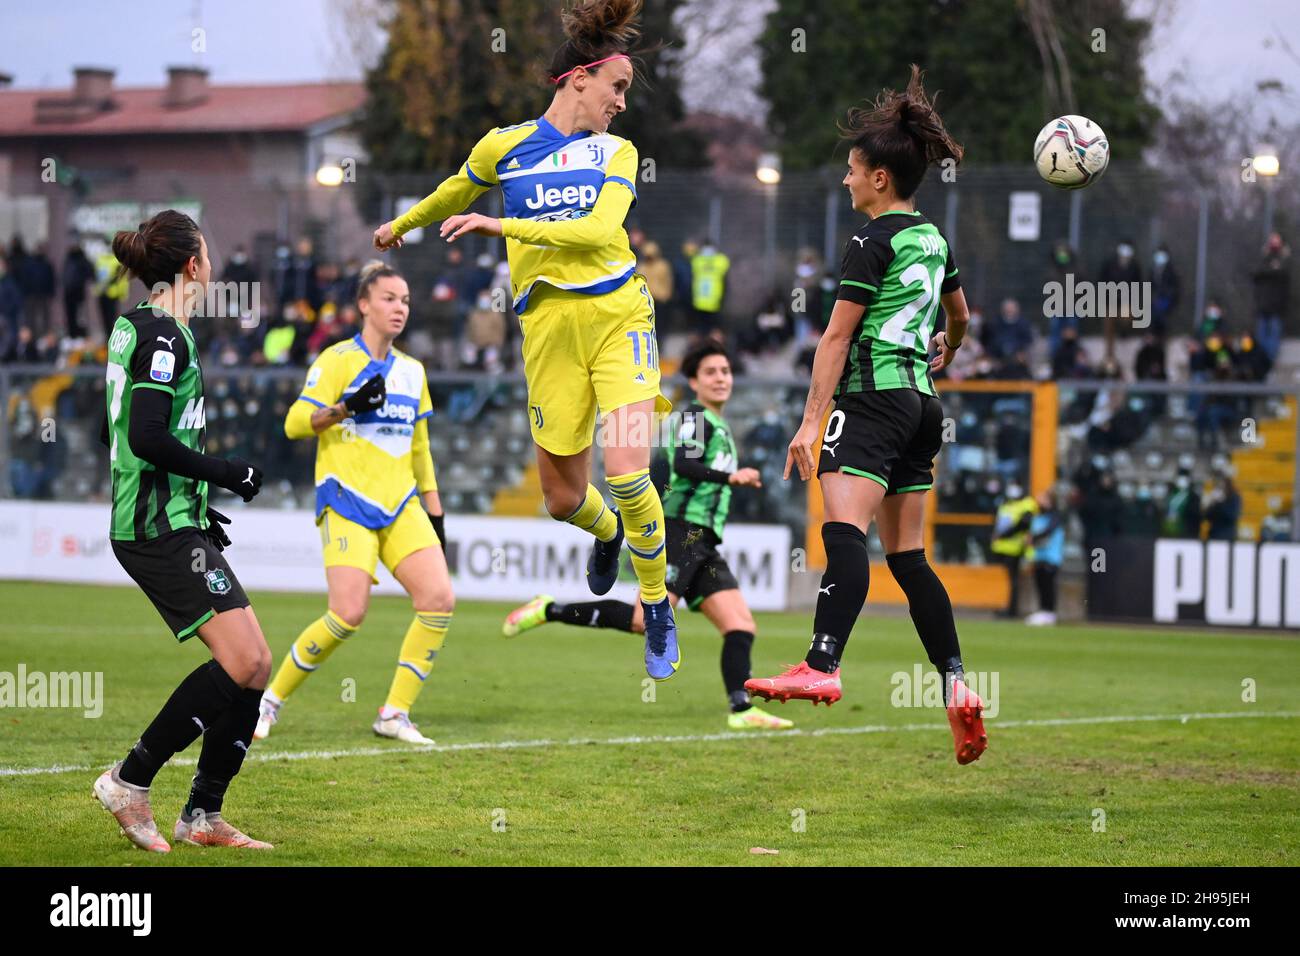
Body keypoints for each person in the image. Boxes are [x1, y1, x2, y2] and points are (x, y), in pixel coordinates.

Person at [372, 0, 679, 681]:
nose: (621, 103)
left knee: (628, 472)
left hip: (617, 317)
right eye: (617, 87)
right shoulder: (502, 145)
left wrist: (499, 228)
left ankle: (655, 604)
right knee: (564, 499)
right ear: (579, 78)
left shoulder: (616, 152)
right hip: (546, 329)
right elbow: (457, 191)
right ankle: (607, 533)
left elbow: (600, 234)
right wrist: (402, 225)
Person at [747, 65, 987, 765]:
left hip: (873, 400)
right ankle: (957, 684)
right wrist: (948, 347)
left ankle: (822, 661)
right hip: (923, 405)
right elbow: (961, 318)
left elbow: (836, 336)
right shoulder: (933, 240)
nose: (847, 181)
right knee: (909, 557)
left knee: (842, 531)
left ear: (881, 177)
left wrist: (810, 419)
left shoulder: (870, 241)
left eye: (853, 171)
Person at [93, 209, 272, 853]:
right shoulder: (165, 337)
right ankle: (129, 780)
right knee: (245, 660)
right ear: (194, 265)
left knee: (255, 665)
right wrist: (228, 472)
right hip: (152, 527)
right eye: (209, 252)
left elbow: (131, 433)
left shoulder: (140, 326)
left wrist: (197, 500)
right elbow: (145, 437)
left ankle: (202, 816)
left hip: (169, 518)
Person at [501, 342, 793, 730]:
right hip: (679, 534)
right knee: (642, 621)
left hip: (702, 542)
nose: (721, 378)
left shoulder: (716, 424)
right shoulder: (695, 418)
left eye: (725, 371)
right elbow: (686, 466)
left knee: (740, 625)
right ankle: (548, 609)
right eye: (711, 372)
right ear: (693, 381)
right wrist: (731, 477)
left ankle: (742, 710)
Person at [256, 261, 452, 745]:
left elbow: (421, 449)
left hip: (401, 500)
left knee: (439, 600)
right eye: (389, 298)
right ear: (364, 304)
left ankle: (394, 714)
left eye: (405, 300)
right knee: (348, 613)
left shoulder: (413, 371)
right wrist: (344, 408)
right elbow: (294, 424)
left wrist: (436, 511)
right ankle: (268, 702)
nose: (399, 308)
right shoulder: (336, 360)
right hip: (346, 498)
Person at [991, 483, 1037, 618]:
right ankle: (1004, 608)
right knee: (1006, 581)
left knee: (1013, 582)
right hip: (1001, 548)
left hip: (1016, 549)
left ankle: (1011, 611)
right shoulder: (1005, 504)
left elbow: (1023, 524)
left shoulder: (1026, 504)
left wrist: (1004, 535)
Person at [1025, 489, 1063, 626]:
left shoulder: (1055, 516)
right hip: (1038, 556)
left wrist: (1033, 538)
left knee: (1048, 586)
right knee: (1040, 585)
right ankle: (1042, 612)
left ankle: (1050, 613)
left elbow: (1048, 531)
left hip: (1051, 557)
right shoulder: (1037, 517)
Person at [1251, 232, 1289, 367]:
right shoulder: (1264, 258)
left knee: (1273, 336)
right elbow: (1256, 273)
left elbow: (1282, 274)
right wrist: (1268, 263)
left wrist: (1270, 271)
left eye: (1276, 240)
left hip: (1277, 306)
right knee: (1261, 336)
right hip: (1262, 305)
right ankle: (1262, 361)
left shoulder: (1285, 259)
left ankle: (1269, 362)